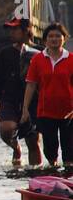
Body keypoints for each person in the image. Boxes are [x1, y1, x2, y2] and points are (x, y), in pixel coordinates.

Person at [23, 23, 73, 166]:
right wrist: (25, 108)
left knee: (69, 150)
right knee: (50, 150)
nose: (54, 39)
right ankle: (53, 174)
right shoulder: (37, 60)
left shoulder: (71, 59)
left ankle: (68, 176)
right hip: (46, 112)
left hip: (69, 112)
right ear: (45, 40)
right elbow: (31, 84)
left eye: (58, 36)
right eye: (50, 36)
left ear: (64, 39)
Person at [0, 17, 41, 167]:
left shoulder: (39, 52)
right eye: (10, 29)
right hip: (10, 98)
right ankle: (16, 147)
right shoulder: (5, 53)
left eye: (15, 29)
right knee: (6, 129)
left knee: (33, 140)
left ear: (26, 31)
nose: (12, 33)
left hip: (33, 100)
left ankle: (35, 172)